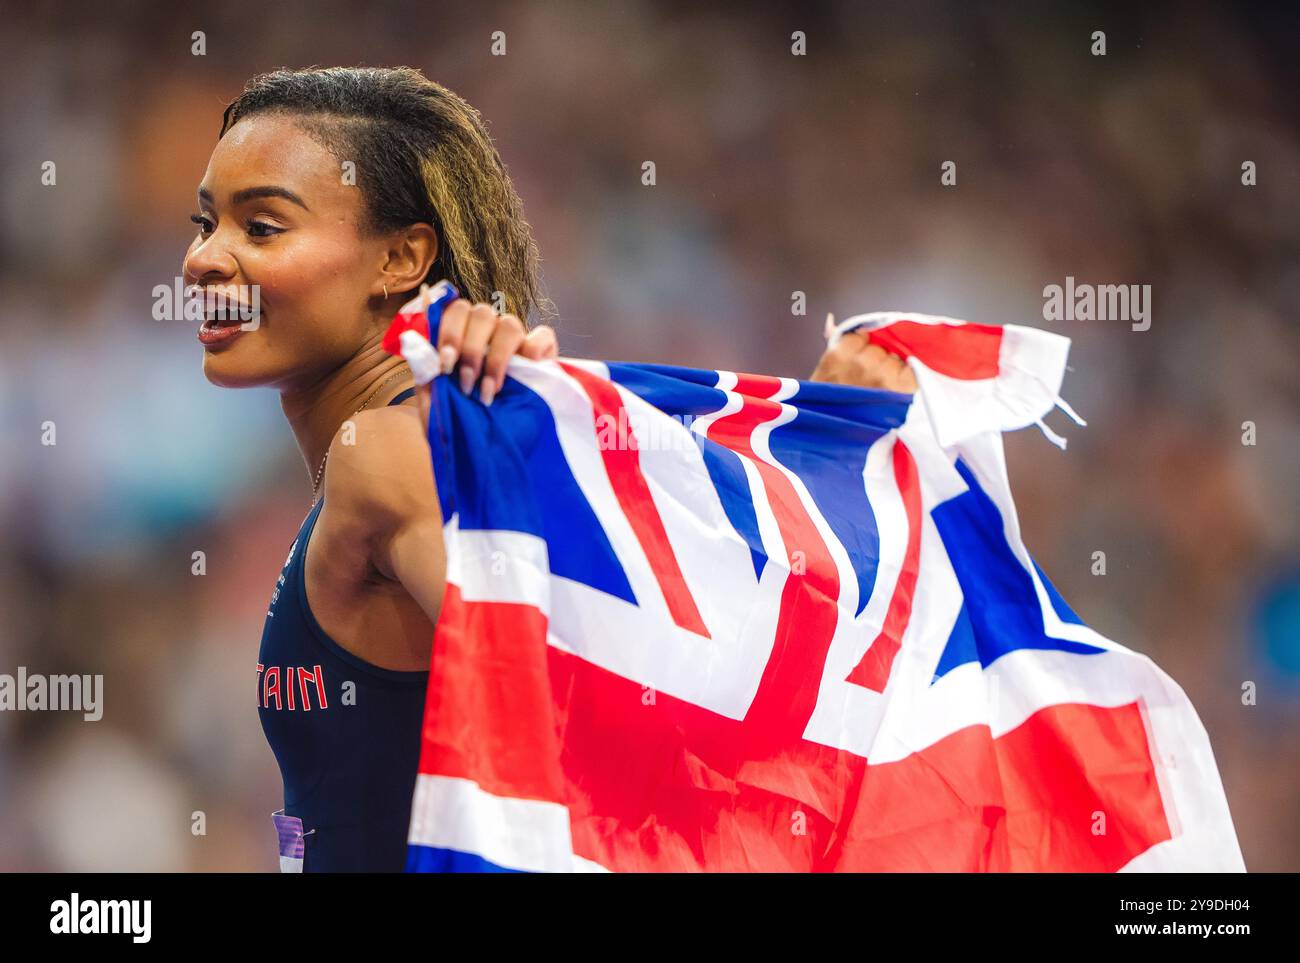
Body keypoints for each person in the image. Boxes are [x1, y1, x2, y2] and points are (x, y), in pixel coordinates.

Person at [182, 65, 915, 872]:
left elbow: (605, 720)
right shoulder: (411, 447)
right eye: (206, 222)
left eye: (262, 228)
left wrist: (825, 473)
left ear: (399, 258)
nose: (205, 259)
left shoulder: (388, 457)